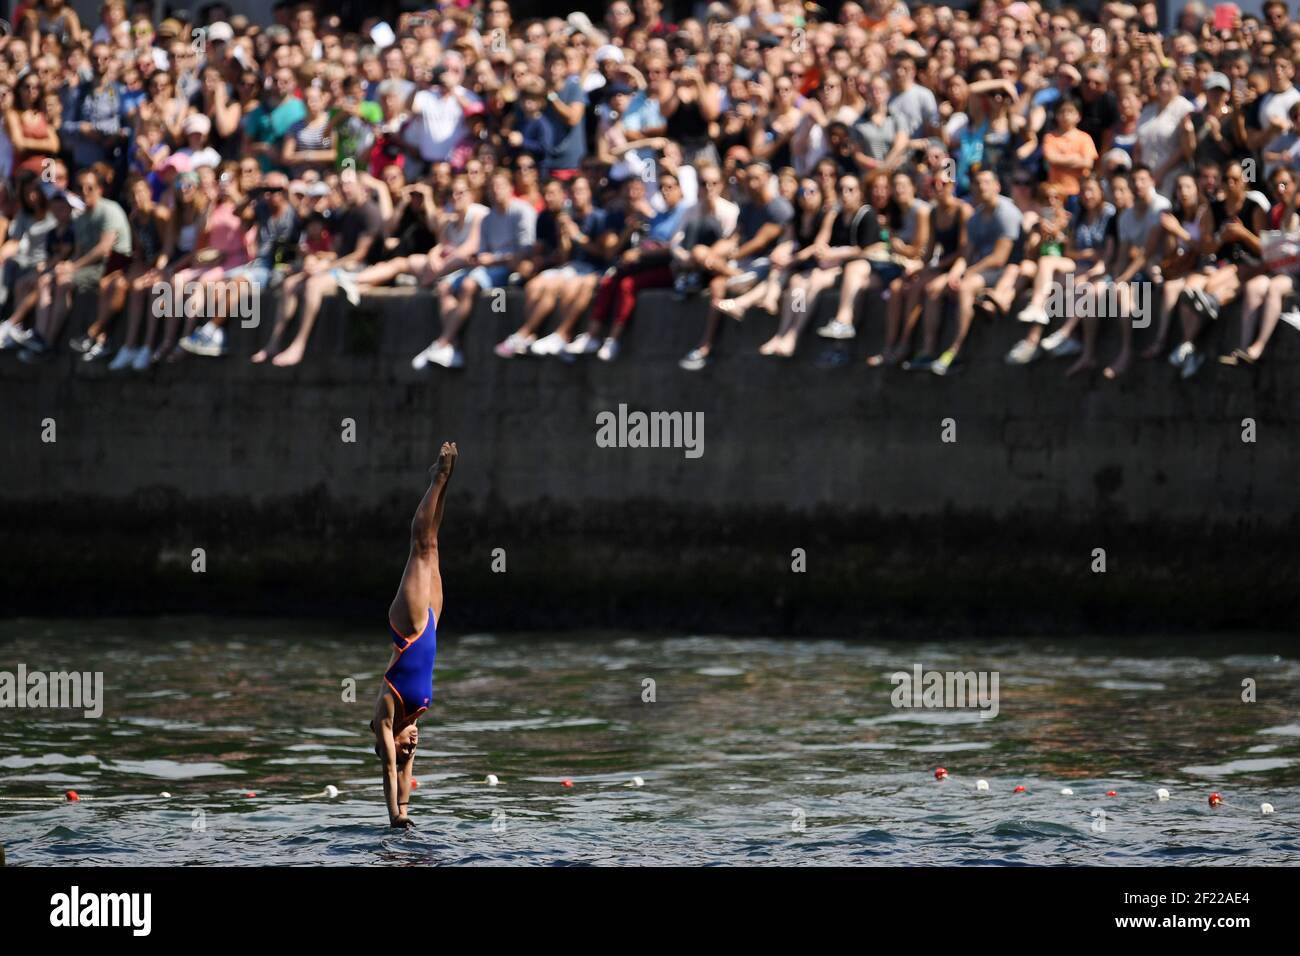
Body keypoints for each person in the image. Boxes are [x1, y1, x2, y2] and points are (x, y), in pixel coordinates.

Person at [372, 441, 457, 830]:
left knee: (419, 546)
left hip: (408, 626)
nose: (414, 742)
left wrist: (392, 817)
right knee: (434, 547)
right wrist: (407, 813)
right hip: (432, 624)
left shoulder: (387, 715)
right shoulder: (416, 718)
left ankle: (438, 479)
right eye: (412, 745)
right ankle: (441, 485)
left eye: (407, 744)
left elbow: (392, 770)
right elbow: (406, 772)